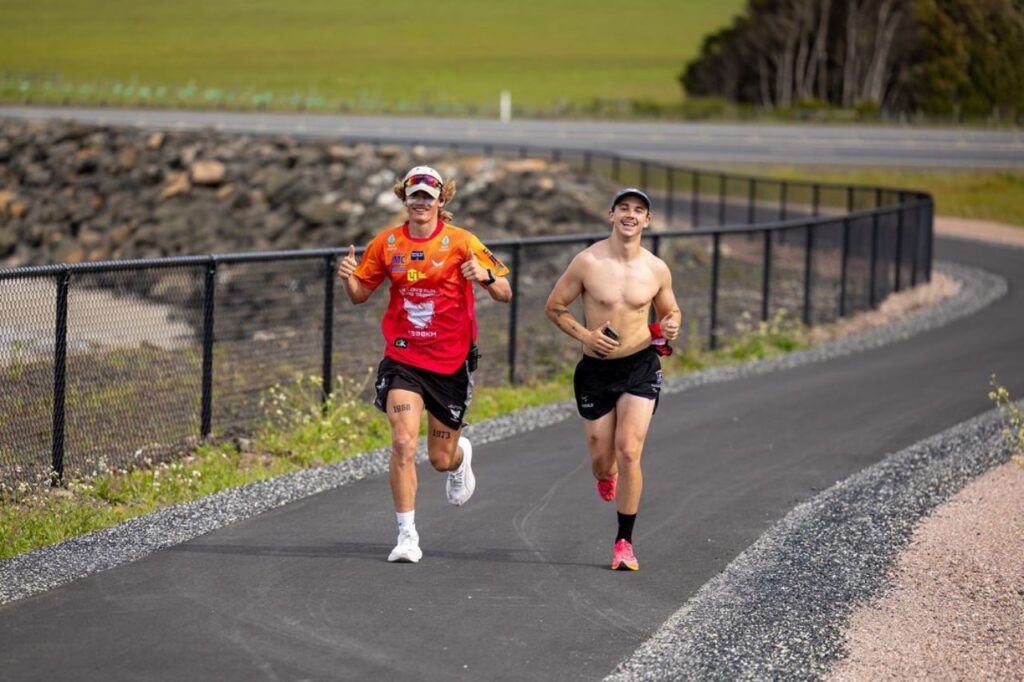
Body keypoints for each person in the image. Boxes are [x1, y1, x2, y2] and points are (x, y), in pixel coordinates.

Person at [337, 165, 511, 563]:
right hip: (404, 357)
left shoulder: (462, 242)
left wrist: (483, 275)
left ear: (441, 201)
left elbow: (505, 291)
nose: (420, 202)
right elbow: (360, 294)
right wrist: (349, 277)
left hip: (451, 362)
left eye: (427, 196)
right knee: (401, 442)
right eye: (413, 195)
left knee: (439, 459)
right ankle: (407, 536)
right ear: (404, 199)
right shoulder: (386, 244)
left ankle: (460, 457)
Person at [544, 188, 681, 571]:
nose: (631, 215)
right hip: (595, 372)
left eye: (639, 210)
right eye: (624, 208)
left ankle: (624, 542)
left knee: (630, 450)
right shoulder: (587, 262)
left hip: (640, 366)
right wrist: (586, 336)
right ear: (611, 215)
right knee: (604, 463)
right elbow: (554, 307)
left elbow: (671, 311)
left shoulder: (656, 268)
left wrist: (671, 325)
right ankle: (606, 477)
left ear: (647, 221)